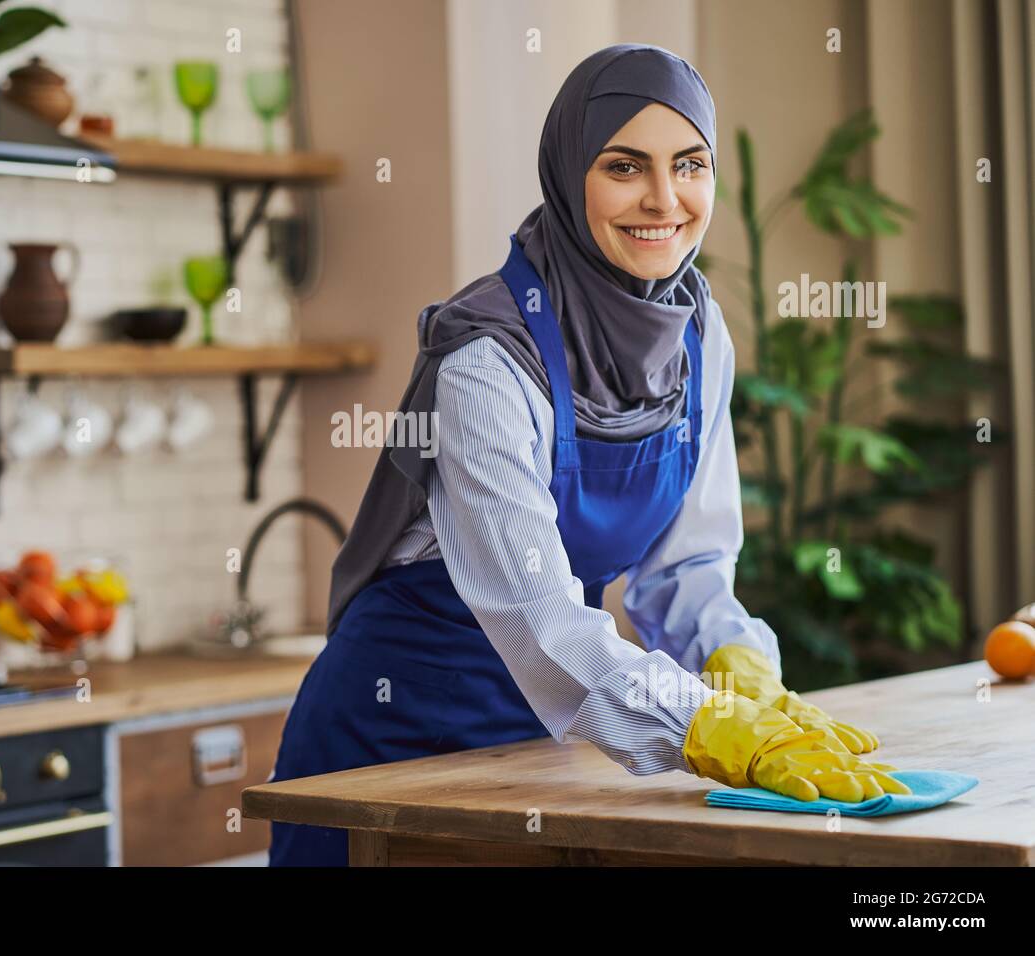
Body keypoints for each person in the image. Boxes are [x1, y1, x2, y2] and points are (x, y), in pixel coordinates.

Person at [267, 44, 907, 867]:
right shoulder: (489, 358)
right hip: (390, 744)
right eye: (624, 166)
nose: (663, 199)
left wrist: (734, 661)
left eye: (691, 165)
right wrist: (706, 726)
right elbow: (539, 622)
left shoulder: (700, 336)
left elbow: (684, 568)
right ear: (571, 175)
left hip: (549, 741)